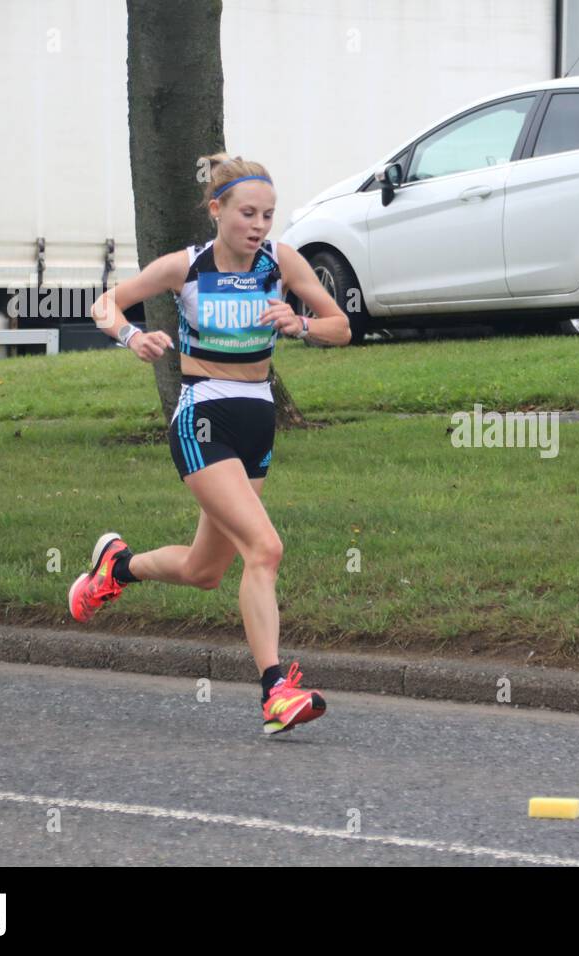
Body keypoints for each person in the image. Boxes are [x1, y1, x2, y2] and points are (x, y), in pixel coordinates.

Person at [68, 153, 351, 734]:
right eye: (248, 213)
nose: (259, 226)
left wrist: (299, 325)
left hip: (257, 424)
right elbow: (107, 303)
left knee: (204, 570)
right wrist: (131, 335)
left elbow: (341, 326)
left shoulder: (282, 263)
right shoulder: (185, 266)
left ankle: (116, 568)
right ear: (216, 209)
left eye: (269, 215)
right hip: (203, 420)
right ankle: (275, 691)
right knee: (265, 549)